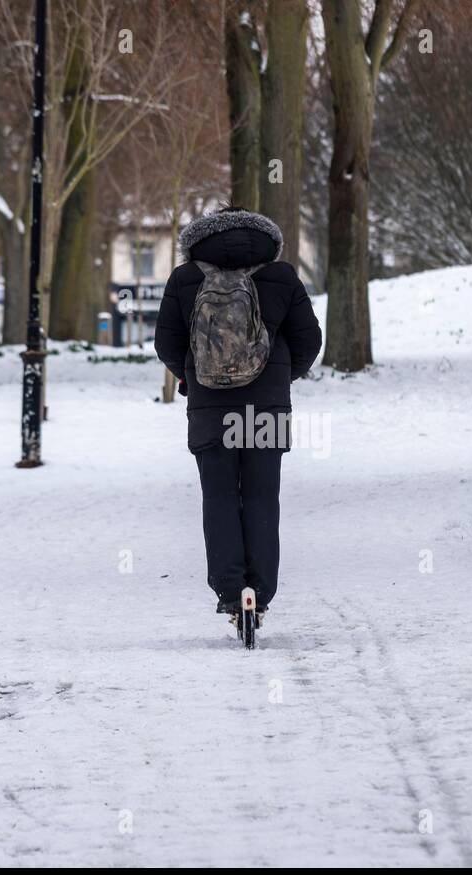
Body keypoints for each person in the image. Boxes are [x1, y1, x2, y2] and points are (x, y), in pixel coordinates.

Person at [155, 206, 322, 625]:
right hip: (265, 409)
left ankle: (232, 593)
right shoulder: (281, 277)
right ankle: (260, 593)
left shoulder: (185, 278)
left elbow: (167, 342)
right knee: (263, 496)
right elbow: (308, 339)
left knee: (220, 498)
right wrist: (284, 376)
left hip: (210, 409)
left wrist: (191, 377)